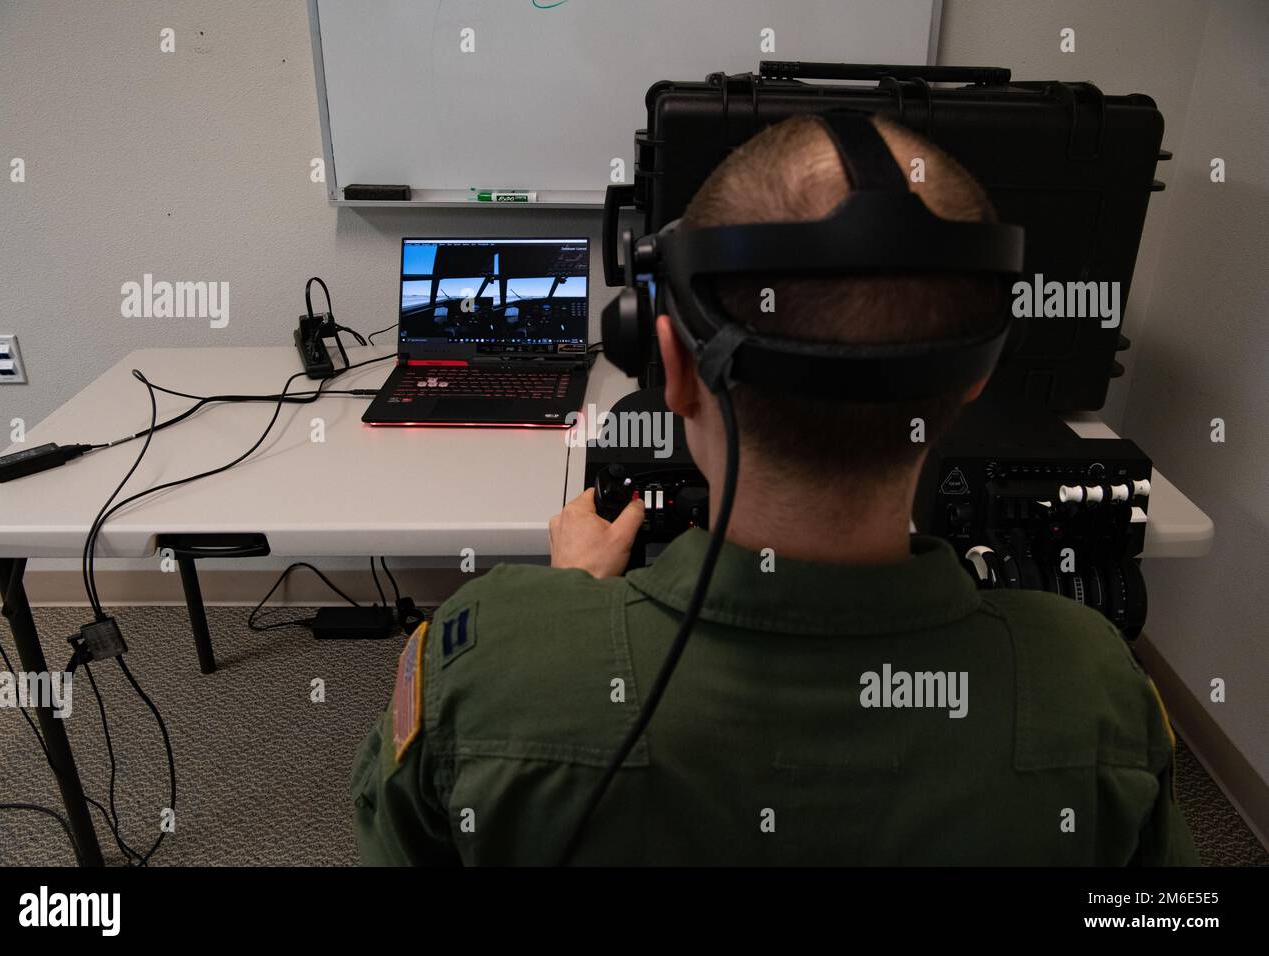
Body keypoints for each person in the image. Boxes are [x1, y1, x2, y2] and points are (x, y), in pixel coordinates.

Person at [350, 114, 1197, 866]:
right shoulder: (1096, 688)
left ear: (671, 366)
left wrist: (562, 606)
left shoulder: (481, 665)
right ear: (977, 376)